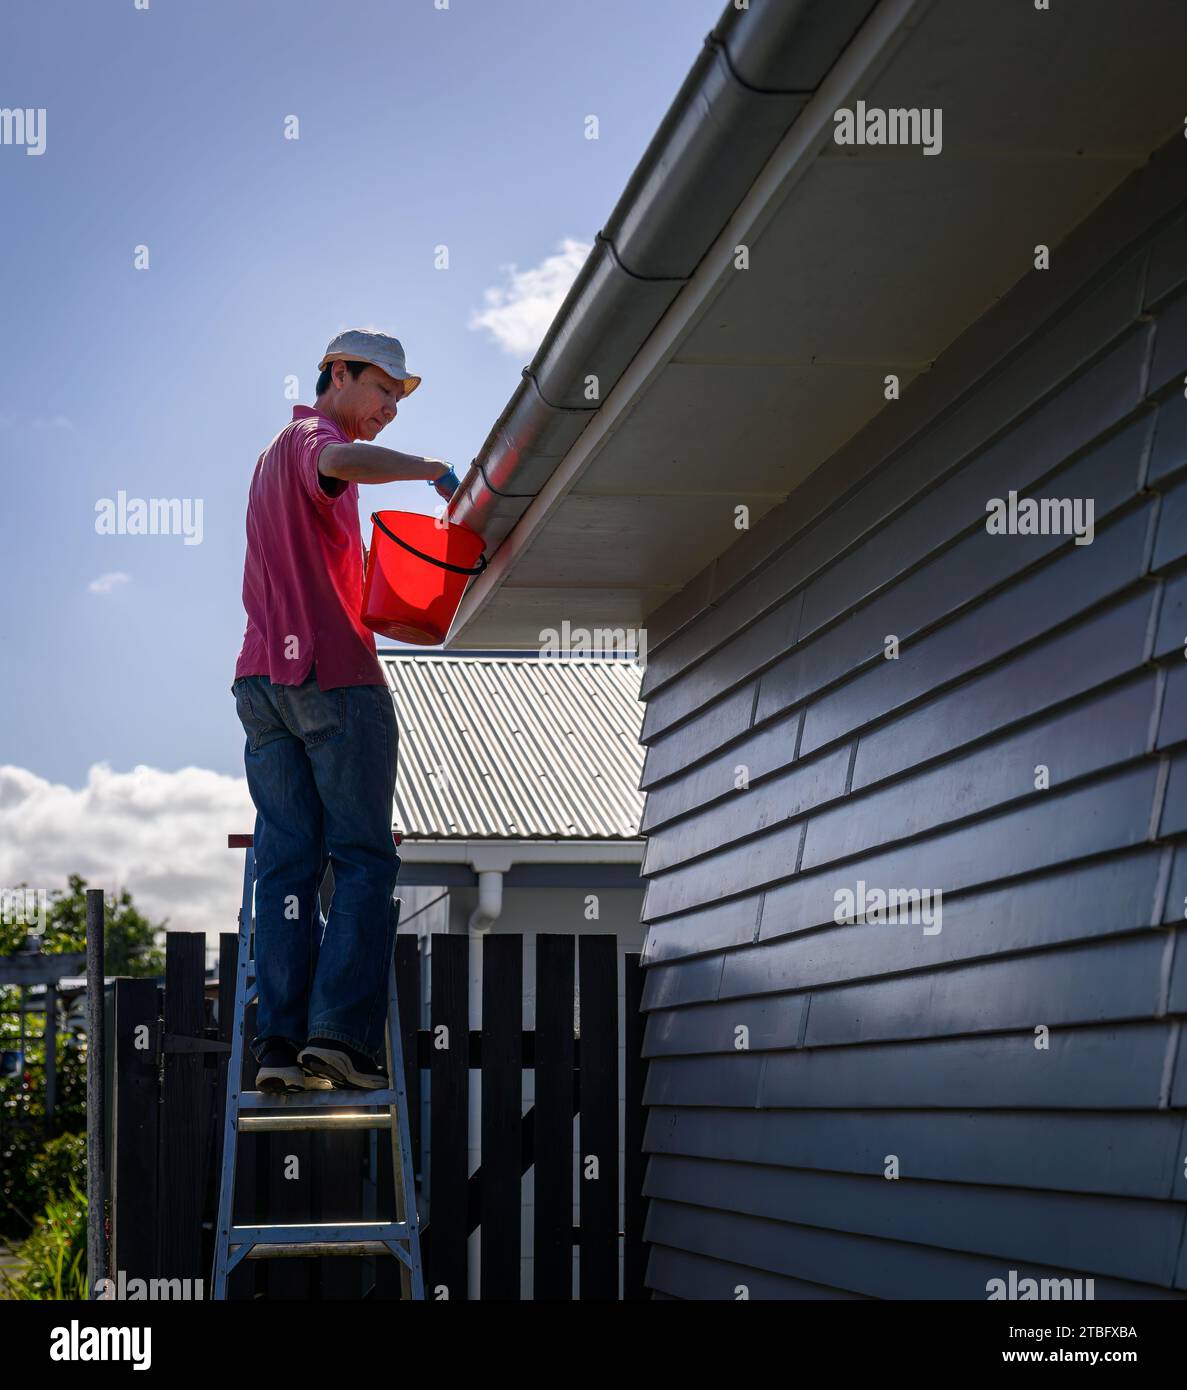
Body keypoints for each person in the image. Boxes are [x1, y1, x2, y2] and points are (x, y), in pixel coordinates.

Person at [230, 329, 460, 1092]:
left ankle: (277, 1044)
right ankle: (337, 1039)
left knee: (288, 863)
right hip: (332, 677)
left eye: (398, 398)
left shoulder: (270, 456)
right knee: (363, 859)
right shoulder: (310, 437)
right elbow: (338, 462)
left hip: (263, 684)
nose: (390, 409)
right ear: (337, 373)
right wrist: (430, 472)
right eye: (384, 390)